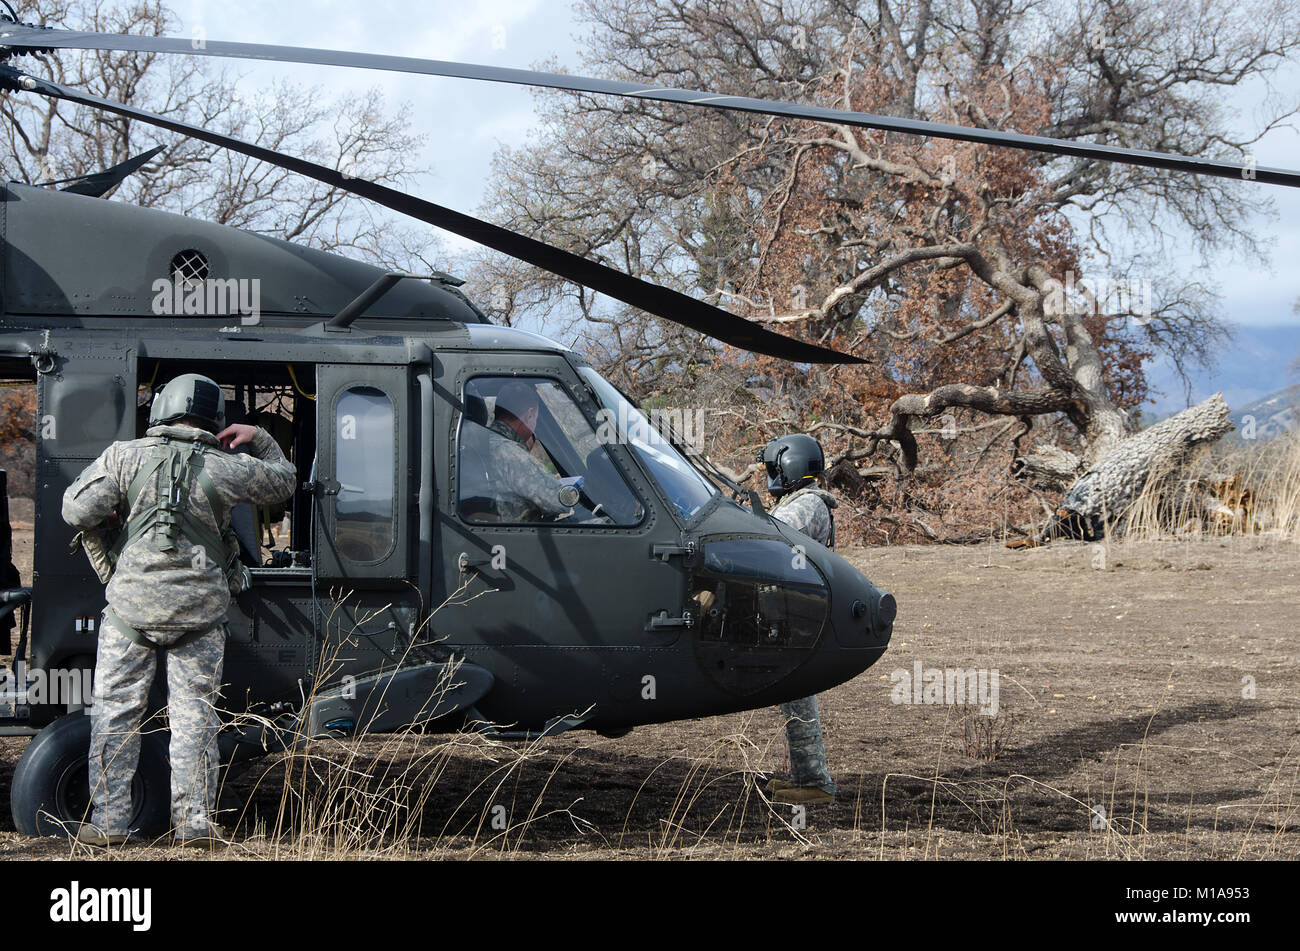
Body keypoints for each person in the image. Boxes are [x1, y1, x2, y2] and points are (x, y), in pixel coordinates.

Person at [62, 373, 296, 847]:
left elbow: (74, 510)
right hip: (199, 621)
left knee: (115, 717)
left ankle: (108, 824)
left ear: (161, 411)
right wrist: (260, 436)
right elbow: (284, 483)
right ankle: (195, 827)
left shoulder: (124, 457)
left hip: (130, 617)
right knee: (194, 721)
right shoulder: (228, 466)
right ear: (214, 420)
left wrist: (112, 515)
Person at [759, 433, 839, 805]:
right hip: (790, 610)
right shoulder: (800, 501)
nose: (770, 475)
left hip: (799, 614)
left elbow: (768, 537)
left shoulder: (807, 504)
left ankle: (815, 783)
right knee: (793, 698)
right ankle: (805, 777)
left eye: (773, 468)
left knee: (798, 697)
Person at [460, 380, 572, 523]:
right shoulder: (507, 451)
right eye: (536, 419)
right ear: (529, 414)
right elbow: (558, 500)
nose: (534, 426)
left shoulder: (485, 442)